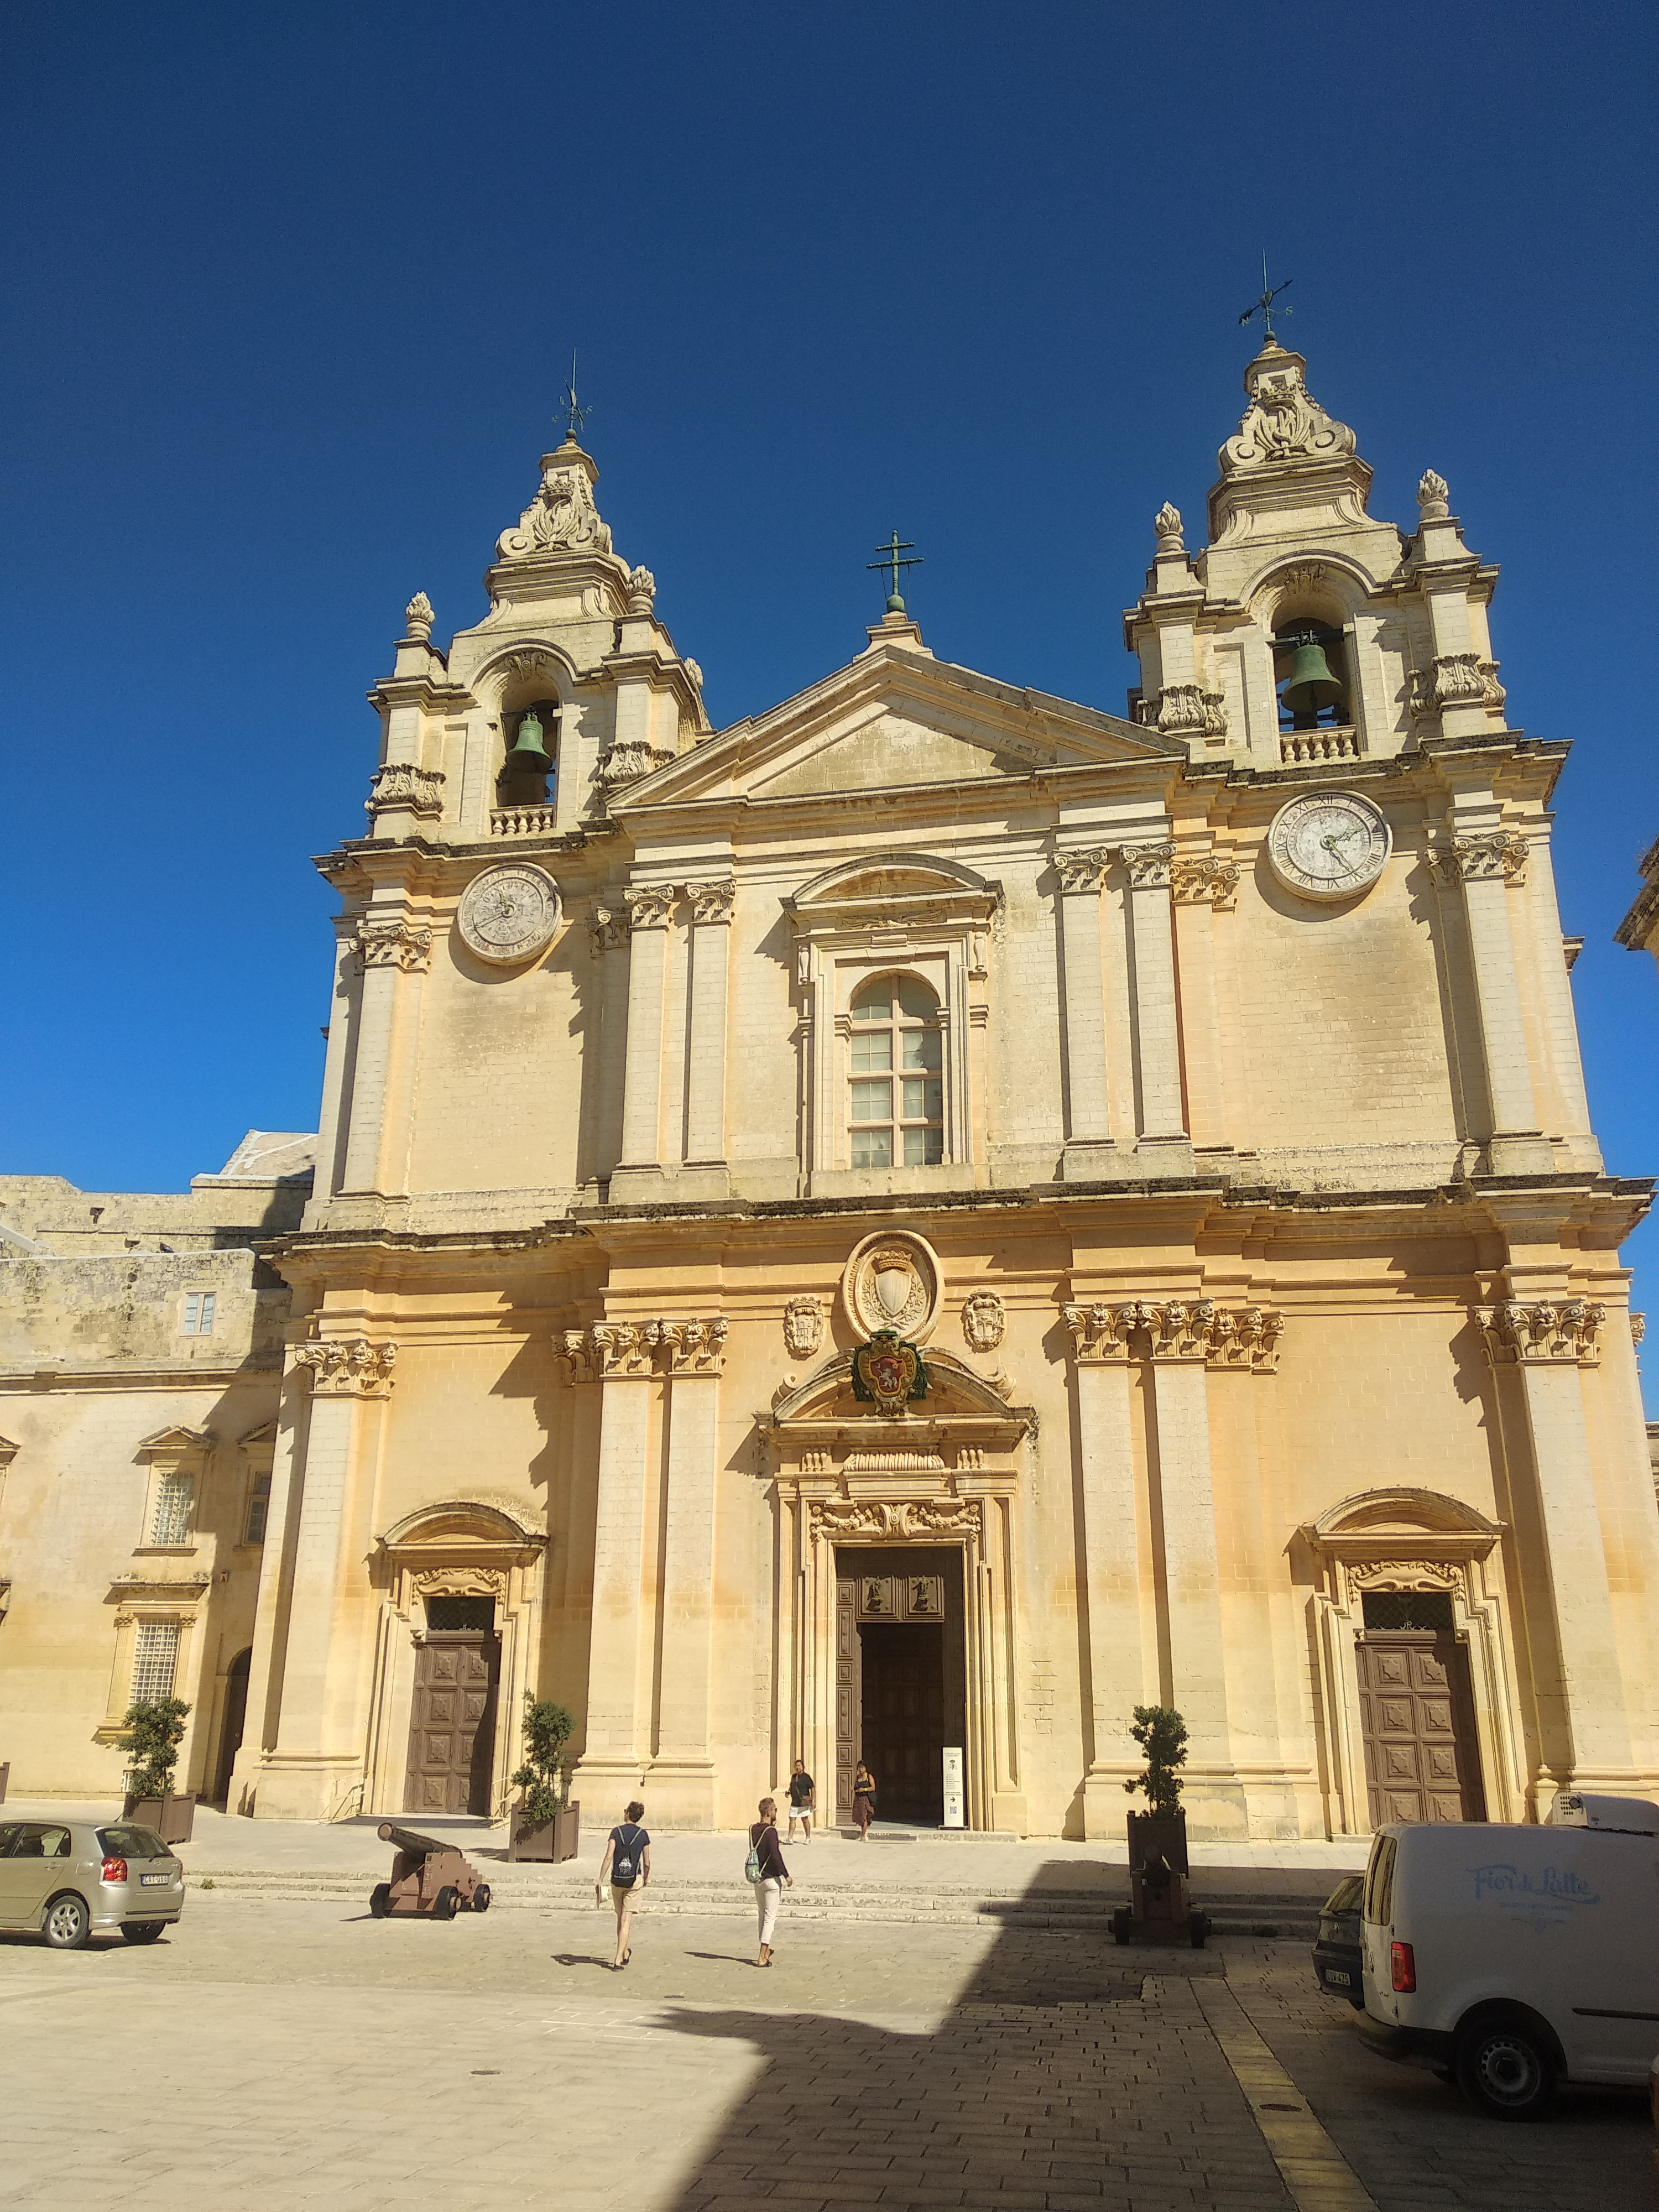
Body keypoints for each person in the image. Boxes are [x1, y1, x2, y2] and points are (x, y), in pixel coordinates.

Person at [596, 1799, 650, 1969]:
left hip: (617, 1879)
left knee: (620, 1918)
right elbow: (647, 1863)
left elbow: (608, 1856)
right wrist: (646, 1878)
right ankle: (619, 1958)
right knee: (627, 1919)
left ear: (627, 1813)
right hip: (634, 1879)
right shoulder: (643, 1835)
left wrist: (600, 1879)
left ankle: (625, 1953)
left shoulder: (615, 1832)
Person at [749, 1796, 792, 1966]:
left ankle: (766, 1950)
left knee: (762, 1915)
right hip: (771, 1879)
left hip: (757, 1877)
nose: (776, 1813)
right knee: (770, 1917)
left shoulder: (752, 1829)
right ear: (768, 1812)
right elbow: (775, 1855)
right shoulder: (771, 1832)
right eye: (775, 1810)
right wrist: (786, 1875)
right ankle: (762, 1956)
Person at [786, 1758, 816, 1842]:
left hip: (804, 1802)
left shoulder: (807, 1777)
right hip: (795, 1802)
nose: (797, 1767)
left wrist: (813, 1801)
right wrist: (788, 1792)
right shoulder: (794, 1776)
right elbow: (792, 1786)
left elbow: (812, 1788)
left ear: (803, 1767)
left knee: (805, 1819)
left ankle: (808, 1838)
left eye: (799, 1766)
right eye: (796, 1766)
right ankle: (790, 1838)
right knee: (792, 1818)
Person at [852, 1760, 877, 1839]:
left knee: (865, 1817)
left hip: (866, 1800)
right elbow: (856, 1788)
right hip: (858, 1800)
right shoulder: (858, 1777)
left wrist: (865, 1789)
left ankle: (863, 1835)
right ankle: (863, 1831)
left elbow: (873, 1788)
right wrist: (854, 1790)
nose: (861, 1769)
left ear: (865, 1768)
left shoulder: (869, 1777)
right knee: (860, 1817)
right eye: (860, 1768)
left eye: (862, 1768)